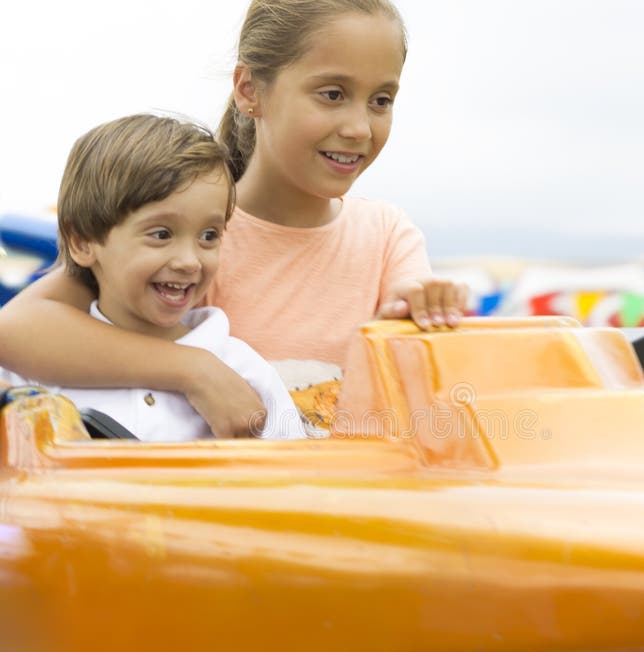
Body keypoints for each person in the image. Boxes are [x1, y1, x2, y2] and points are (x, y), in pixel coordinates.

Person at [0, 0, 468, 437]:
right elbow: (15, 331)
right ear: (249, 90)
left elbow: (418, 357)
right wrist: (195, 370)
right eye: (332, 94)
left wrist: (420, 308)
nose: (359, 128)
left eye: (381, 100)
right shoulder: (189, 237)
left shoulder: (387, 235)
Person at [0, 114, 306, 442]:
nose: (189, 261)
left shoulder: (246, 372)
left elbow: (297, 471)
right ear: (83, 243)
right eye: (161, 234)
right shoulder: (27, 376)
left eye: (208, 235)